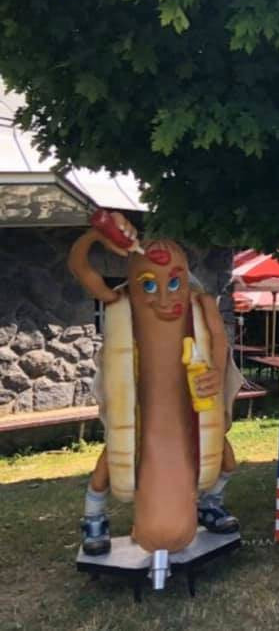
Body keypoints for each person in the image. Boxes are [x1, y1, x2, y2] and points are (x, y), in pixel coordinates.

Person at [69, 212, 242, 555]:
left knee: (226, 460)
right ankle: (94, 516)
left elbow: (219, 340)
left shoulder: (203, 304)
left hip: (190, 407)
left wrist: (215, 372)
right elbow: (81, 269)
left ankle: (211, 502)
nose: (164, 298)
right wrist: (94, 237)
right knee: (112, 465)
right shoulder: (120, 302)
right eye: (149, 286)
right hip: (140, 412)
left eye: (173, 283)